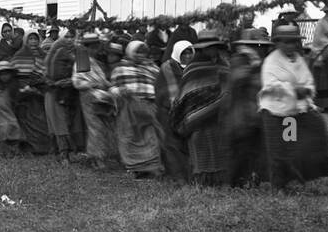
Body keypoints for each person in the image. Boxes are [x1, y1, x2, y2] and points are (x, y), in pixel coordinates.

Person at [259, 23, 328, 190]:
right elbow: (271, 85)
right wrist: (293, 89)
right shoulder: (271, 62)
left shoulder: (299, 60)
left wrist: (305, 92)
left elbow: (308, 82)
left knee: (291, 147)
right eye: (286, 42)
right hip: (274, 112)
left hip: (292, 113)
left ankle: (293, 179)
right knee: (277, 151)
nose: (290, 45)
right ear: (278, 43)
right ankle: (277, 186)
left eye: (293, 42)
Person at [173, 29, 227, 186]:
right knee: (201, 148)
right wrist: (202, 109)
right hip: (197, 120)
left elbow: (229, 87)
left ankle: (219, 180)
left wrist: (222, 100)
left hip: (219, 118)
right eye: (209, 47)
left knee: (218, 148)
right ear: (202, 48)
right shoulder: (192, 68)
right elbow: (186, 95)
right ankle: (202, 182)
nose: (213, 50)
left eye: (215, 46)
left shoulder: (223, 65)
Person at [109, 40, 163, 178]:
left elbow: (160, 87)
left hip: (148, 107)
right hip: (128, 109)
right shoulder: (119, 69)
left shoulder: (153, 68)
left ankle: (150, 166)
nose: (140, 55)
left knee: (150, 136)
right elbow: (112, 88)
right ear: (130, 52)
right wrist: (120, 91)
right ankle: (135, 167)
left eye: (143, 52)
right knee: (130, 136)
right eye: (137, 52)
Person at [223, 27, 269, 187]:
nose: (262, 48)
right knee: (240, 152)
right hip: (239, 115)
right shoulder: (239, 59)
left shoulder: (261, 62)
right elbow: (237, 80)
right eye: (259, 45)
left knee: (255, 151)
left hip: (255, 114)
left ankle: (252, 180)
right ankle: (234, 183)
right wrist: (254, 68)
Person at [72, 33, 118, 169]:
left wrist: (108, 85)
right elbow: (78, 81)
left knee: (103, 127)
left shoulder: (95, 62)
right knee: (95, 127)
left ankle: (100, 156)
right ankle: (97, 158)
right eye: (91, 47)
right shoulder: (82, 60)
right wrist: (95, 85)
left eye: (95, 46)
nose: (94, 49)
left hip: (101, 96)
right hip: (89, 96)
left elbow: (101, 80)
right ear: (86, 47)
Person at [42, 29, 84, 161]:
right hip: (54, 91)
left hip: (71, 91)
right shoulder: (56, 51)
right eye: (67, 36)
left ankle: (73, 150)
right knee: (59, 122)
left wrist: (70, 81)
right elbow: (48, 72)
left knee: (72, 122)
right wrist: (56, 83)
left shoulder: (80, 52)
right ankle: (62, 153)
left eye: (73, 36)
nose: (70, 39)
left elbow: (83, 72)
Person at [0, 59, 26, 156]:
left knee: (10, 125)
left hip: (6, 109)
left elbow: (17, 97)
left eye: (7, 73)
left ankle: (11, 150)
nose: (4, 76)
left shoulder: (14, 86)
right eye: (2, 74)